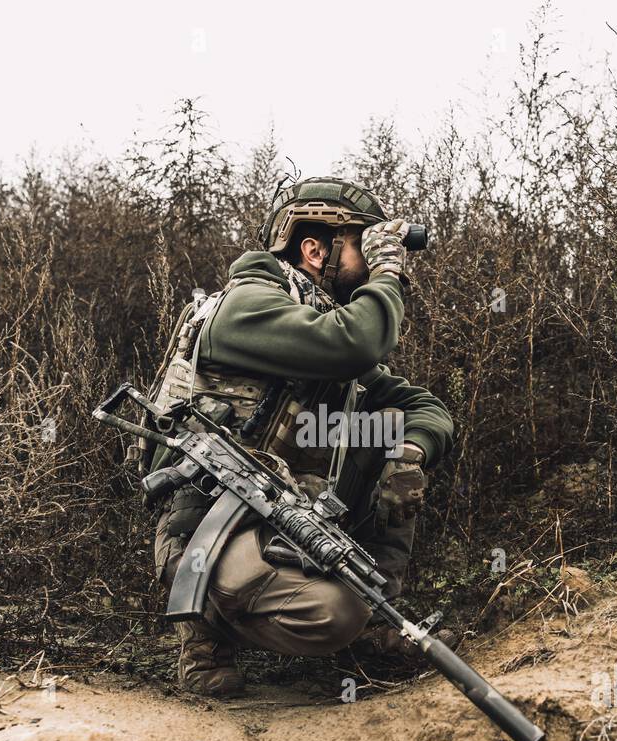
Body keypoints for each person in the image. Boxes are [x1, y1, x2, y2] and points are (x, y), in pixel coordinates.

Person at [149, 177, 454, 697]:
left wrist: (409, 451)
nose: (374, 256)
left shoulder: (318, 328)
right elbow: (360, 341)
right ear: (314, 249)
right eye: (364, 244)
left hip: (288, 519)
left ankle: (375, 629)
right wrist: (386, 273)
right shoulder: (243, 307)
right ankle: (205, 637)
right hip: (207, 535)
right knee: (337, 613)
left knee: (388, 437)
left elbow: (423, 407)